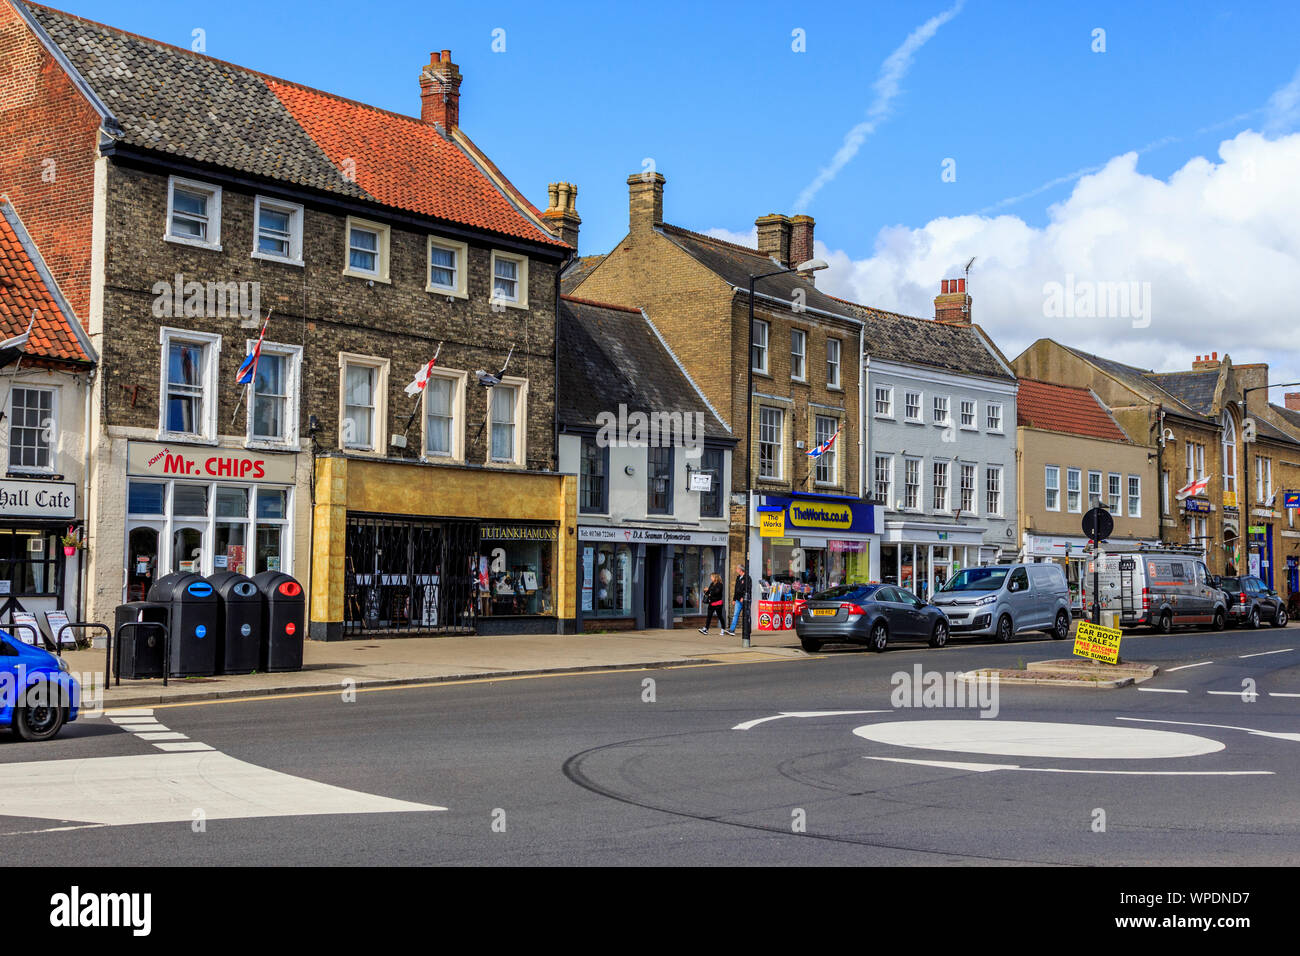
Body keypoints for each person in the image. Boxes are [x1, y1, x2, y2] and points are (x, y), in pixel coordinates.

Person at [726, 563, 750, 636]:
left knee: (747, 615)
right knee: (735, 615)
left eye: (737, 569)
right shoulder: (738, 578)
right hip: (738, 600)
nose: (736, 570)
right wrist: (734, 599)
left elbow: (748, 589)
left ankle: (748, 630)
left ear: (740, 570)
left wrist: (744, 597)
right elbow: (736, 589)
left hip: (744, 600)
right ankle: (732, 630)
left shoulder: (747, 578)